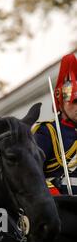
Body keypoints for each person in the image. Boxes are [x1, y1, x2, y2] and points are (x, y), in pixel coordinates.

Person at [33, 52, 77, 195]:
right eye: (74, 102)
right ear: (60, 102)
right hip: (60, 207)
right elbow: (31, 172)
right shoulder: (47, 132)